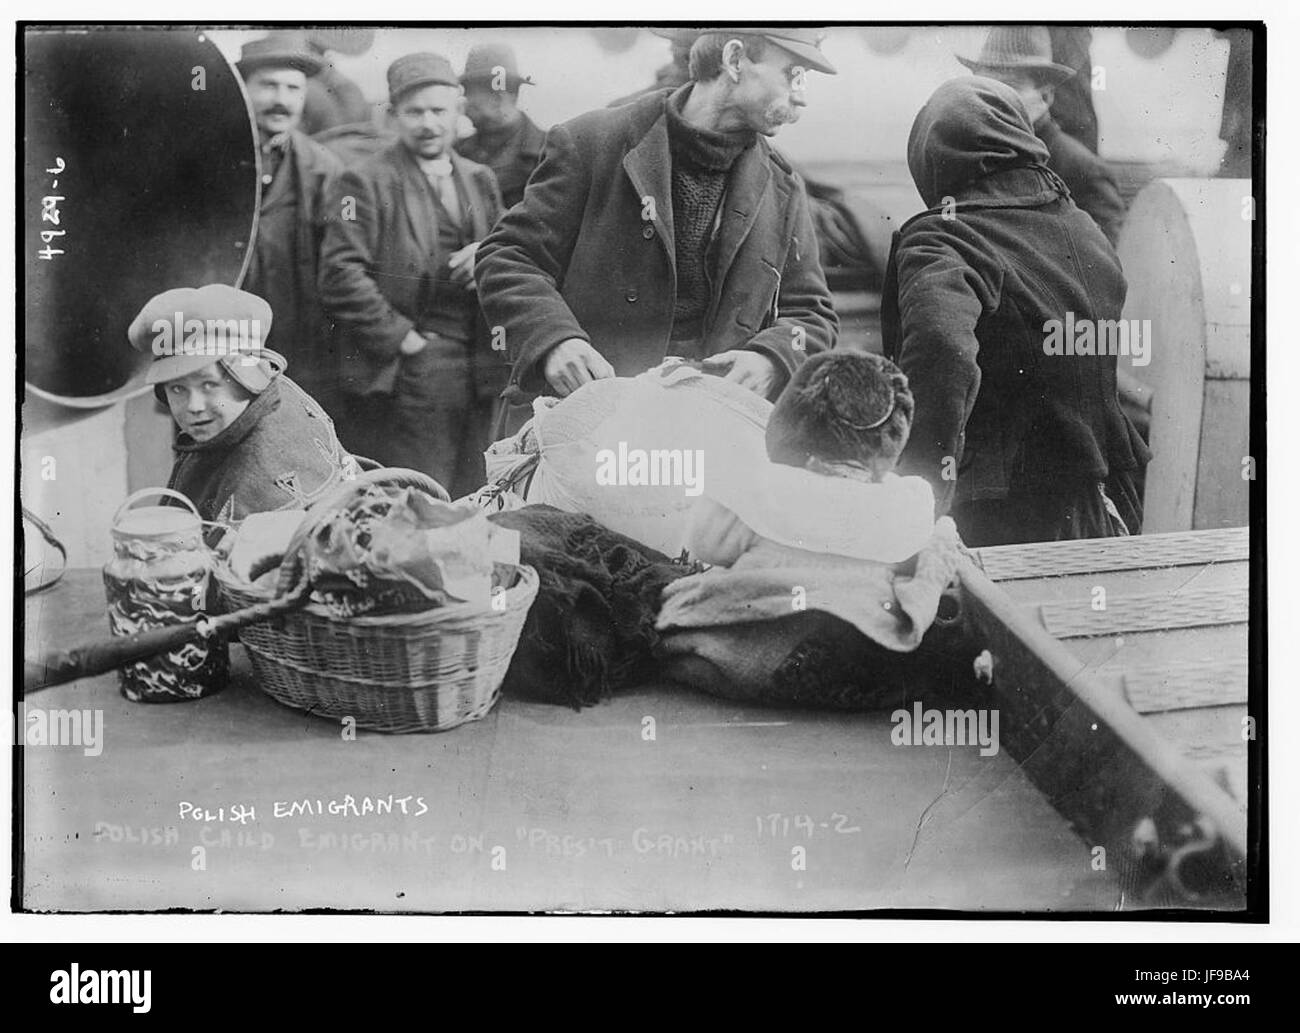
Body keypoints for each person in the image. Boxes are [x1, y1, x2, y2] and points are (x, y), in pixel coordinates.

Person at [477, 29, 839, 434]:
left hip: (705, 432)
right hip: (582, 427)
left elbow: (811, 313)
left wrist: (771, 357)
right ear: (735, 60)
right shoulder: (594, 142)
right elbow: (507, 256)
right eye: (793, 73)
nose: (802, 95)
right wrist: (554, 341)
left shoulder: (783, 187)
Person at [882, 77, 1150, 548]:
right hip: (1105, 500)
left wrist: (918, 487)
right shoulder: (1082, 227)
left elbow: (941, 351)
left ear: (932, 159)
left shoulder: (944, 238)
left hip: (997, 512)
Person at [656, 352, 962, 711]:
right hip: (869, 654)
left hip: (752, 656)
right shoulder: (904, 500)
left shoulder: (757, 488)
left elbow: (703, 544)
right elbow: (924, 544)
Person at [318, 53, 507, 498]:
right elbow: (339, 274)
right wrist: (404, 339)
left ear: (457, 111)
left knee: (480, 488)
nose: (428, 123)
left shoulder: (479, 179)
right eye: (414, 112)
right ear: (394, 115)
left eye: (438, 111)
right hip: (416, 367)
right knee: (423, 494)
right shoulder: (365, 180)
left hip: (482, 363)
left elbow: (510, 252)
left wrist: (485, 252)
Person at [127, 285, 358, 525]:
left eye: (209, 384)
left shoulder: (266, 470)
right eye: (177, 388)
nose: (194, 406)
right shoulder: (263, 401)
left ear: (248, 378)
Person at [234, 32, 344, 413]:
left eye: (293, 88)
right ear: (243, 88)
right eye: (268, 86)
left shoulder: (323, 169)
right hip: (221, 341)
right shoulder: (207, 160)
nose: (282, 100)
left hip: (296, 348)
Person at [957, 25, 1126, 246]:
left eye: (1010, 87)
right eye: (986, 87)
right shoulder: (973, 157)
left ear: (1045, 96)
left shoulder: (1085, 172)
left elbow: (1102, 270)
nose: (994, 99)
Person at [456, 43, 547, 210]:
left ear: (498, 98)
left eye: (469, 93)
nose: (464, 104)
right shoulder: (457, 150)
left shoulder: (548, 153)